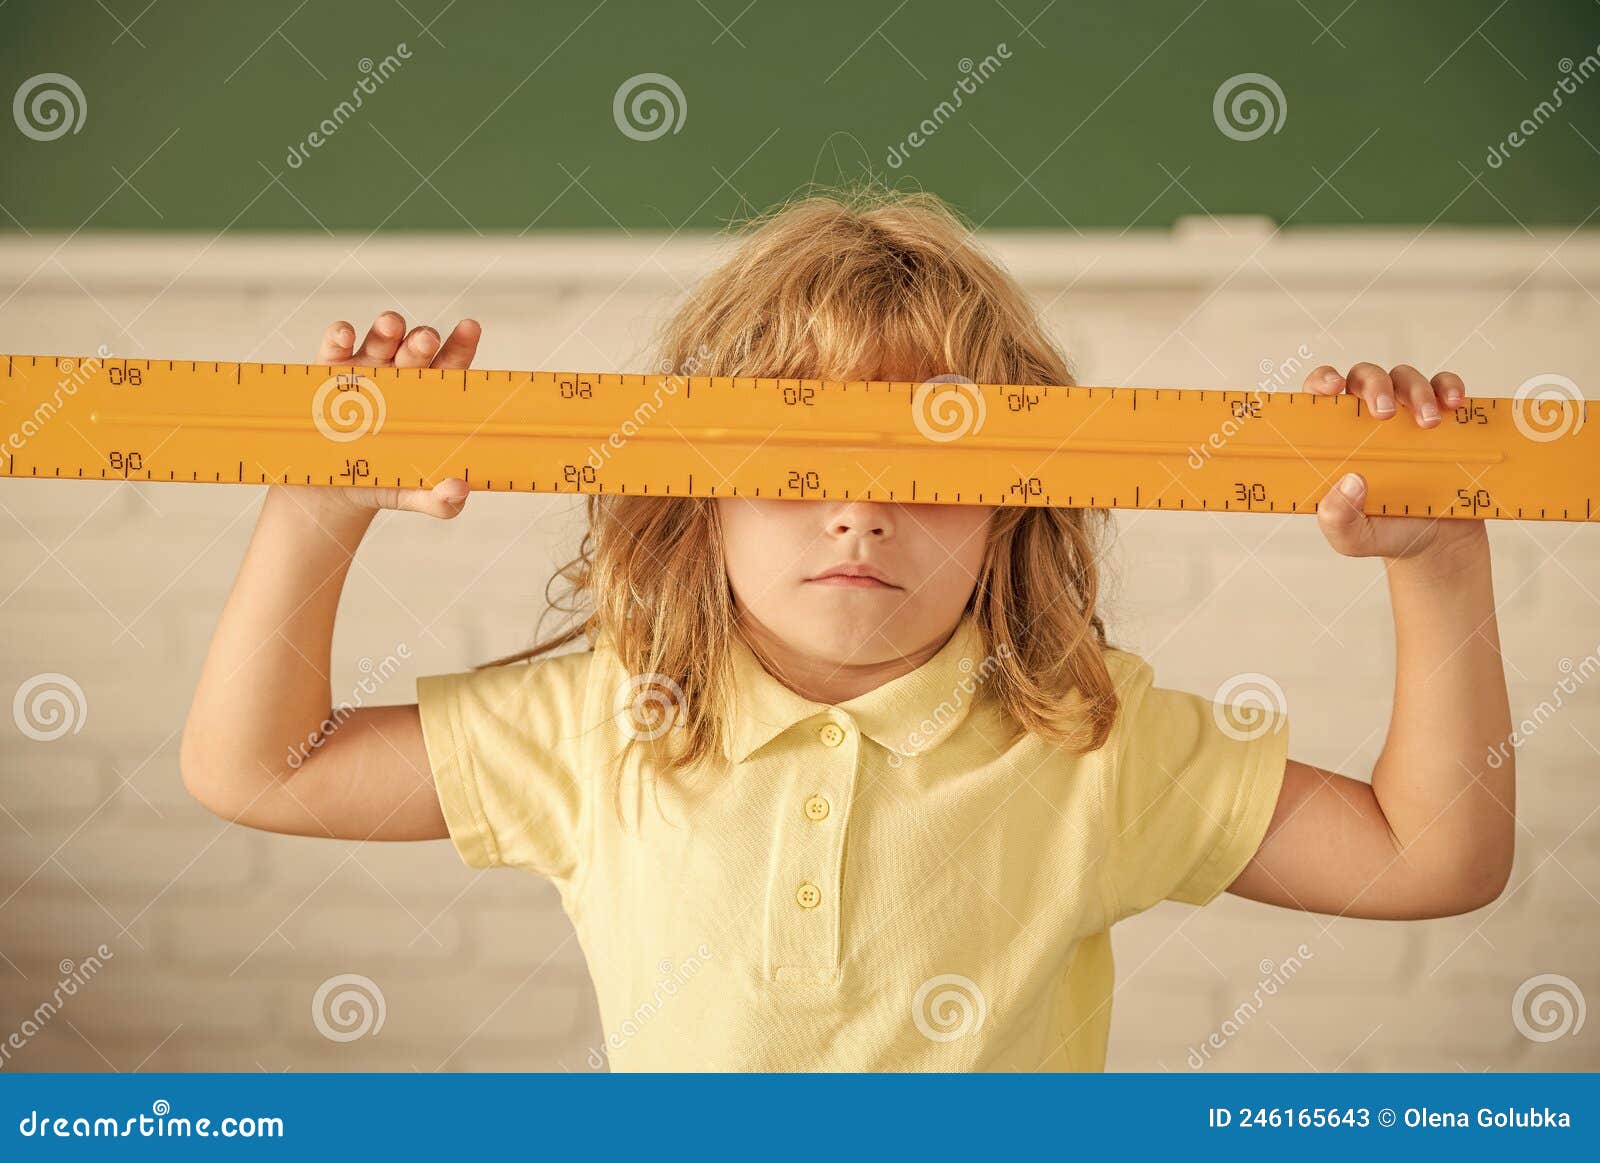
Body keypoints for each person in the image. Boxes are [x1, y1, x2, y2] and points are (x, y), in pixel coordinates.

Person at [180, 189, 1513, 1070]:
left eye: (930, 459)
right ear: (695, 500)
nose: (862, 508)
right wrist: (315, 514)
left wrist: (1440, 562)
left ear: (1014, 510)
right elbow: (258, 768)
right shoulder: (607, 722)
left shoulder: (1091, 737)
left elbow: (1424, 858)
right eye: (796, 454)